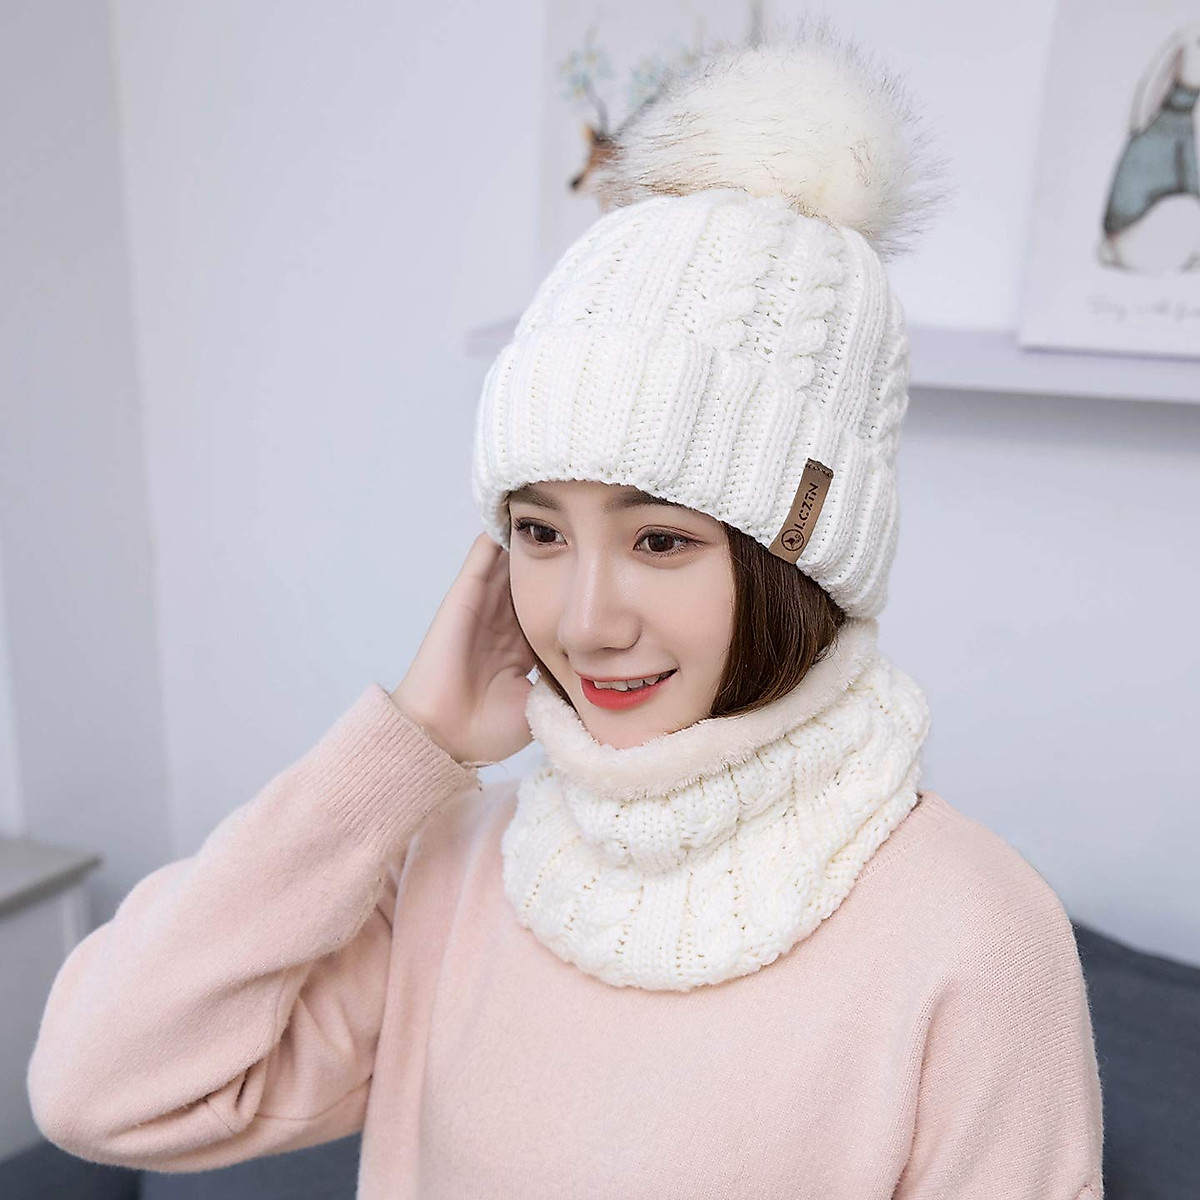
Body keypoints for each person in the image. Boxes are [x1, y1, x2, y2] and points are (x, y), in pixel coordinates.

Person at [26, 15, 1105, 1199]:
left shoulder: (972, 934)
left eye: (660, 540)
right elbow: (98, 1087)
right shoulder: (456, 863)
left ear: (799, 556)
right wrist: (405, 749)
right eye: (539, 533)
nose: (586, 620)